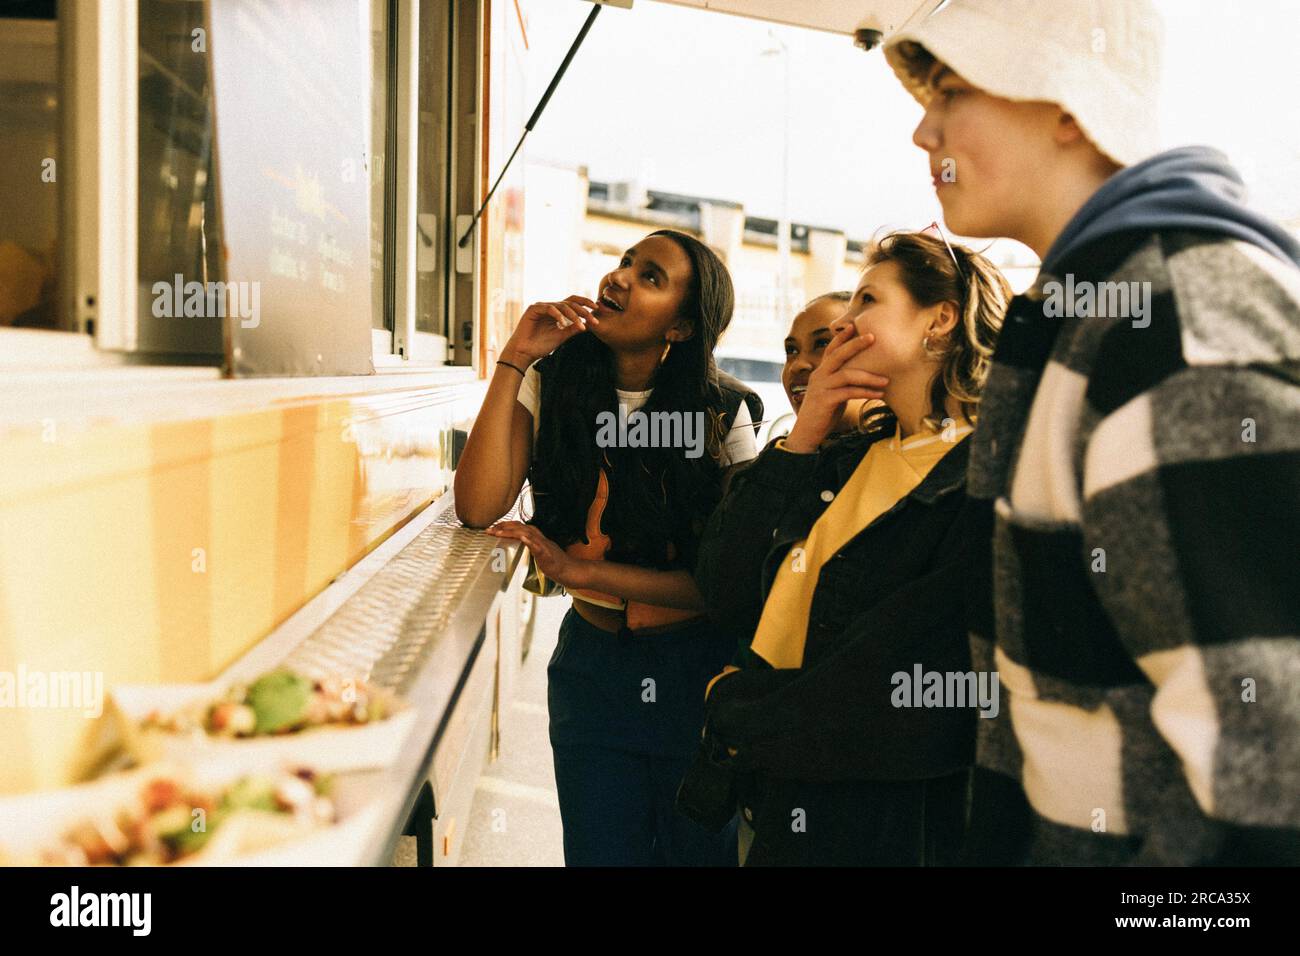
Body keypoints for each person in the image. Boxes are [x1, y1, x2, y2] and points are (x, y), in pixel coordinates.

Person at [883, 0, 1300, 865]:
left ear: (1068, 105)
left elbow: (1274, 784)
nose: (924, 131)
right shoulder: (1088, 308)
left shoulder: (1173, 320)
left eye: (951, 90)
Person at [685, 231, 1010, 865]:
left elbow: (906, 695)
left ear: (939, 321)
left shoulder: (985, 477)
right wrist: (804, 435)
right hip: (787, 801)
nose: (844, 326)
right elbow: (723, 589)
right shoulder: (848, 459)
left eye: (867, 300)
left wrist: (738, 708)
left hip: (890, 829)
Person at [455, 229, 762, 866]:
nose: (618, 277)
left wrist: (578, 568)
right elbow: (478, 505)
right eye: (625, 262)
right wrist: (514, 355)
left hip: (697, 676)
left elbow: (726, 582)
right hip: (593, 669)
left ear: (679, 328)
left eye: (650, 276)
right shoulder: (553, 381)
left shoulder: (726, 413)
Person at [782, 291, 868, 435]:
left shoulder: (894, 451)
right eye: (792, 350)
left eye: (822, 343)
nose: (797, 366)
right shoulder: (784, 449)